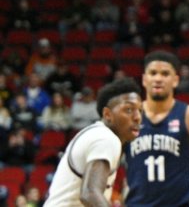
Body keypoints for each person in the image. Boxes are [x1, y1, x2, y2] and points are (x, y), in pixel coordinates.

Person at [124, 52, 189, 207]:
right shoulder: (127, 118)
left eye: (165, 74)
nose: (158, 78)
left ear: (175, 80)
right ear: (144, 79)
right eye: (153, 73)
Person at [44, 78, 142, 207]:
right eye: (129, 110)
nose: (137, 117)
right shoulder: (106, 138)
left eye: (140, 110)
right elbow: (90, 194)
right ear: (107, 114)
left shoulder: (96, 133)